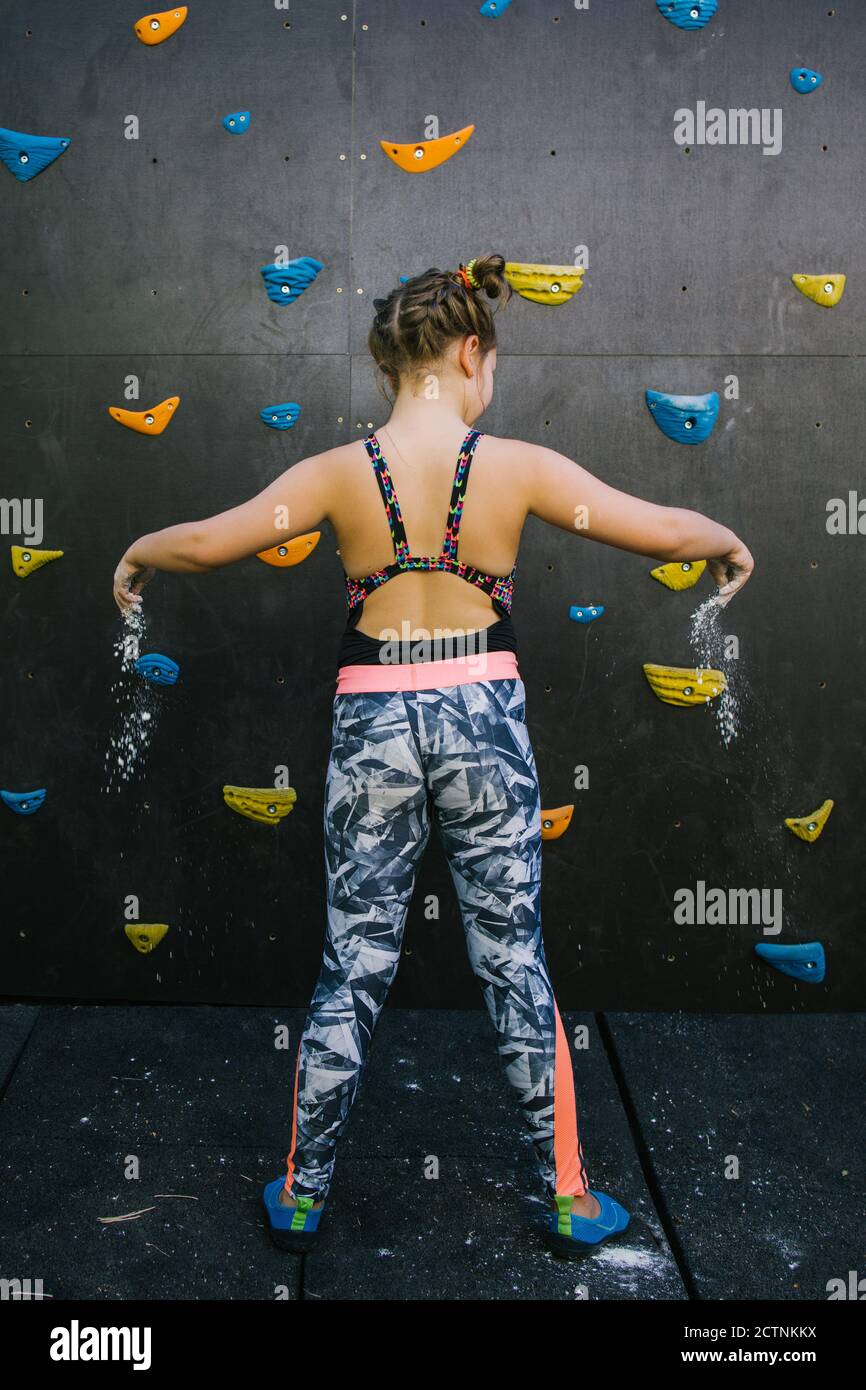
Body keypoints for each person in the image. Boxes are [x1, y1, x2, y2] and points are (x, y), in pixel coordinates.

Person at [113, 253, 753, 1261]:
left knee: (351, 959)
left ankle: (303, 1195)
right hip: (479, 713)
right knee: (510, 959)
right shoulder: (516, 468)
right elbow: (656, 528)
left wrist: (139, 551)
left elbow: (204, 540)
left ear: (387, 367)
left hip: (372, 716)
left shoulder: (335, 473)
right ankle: (567, 1200)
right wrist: (722, 539)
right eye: (486, 362)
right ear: (468, 352)